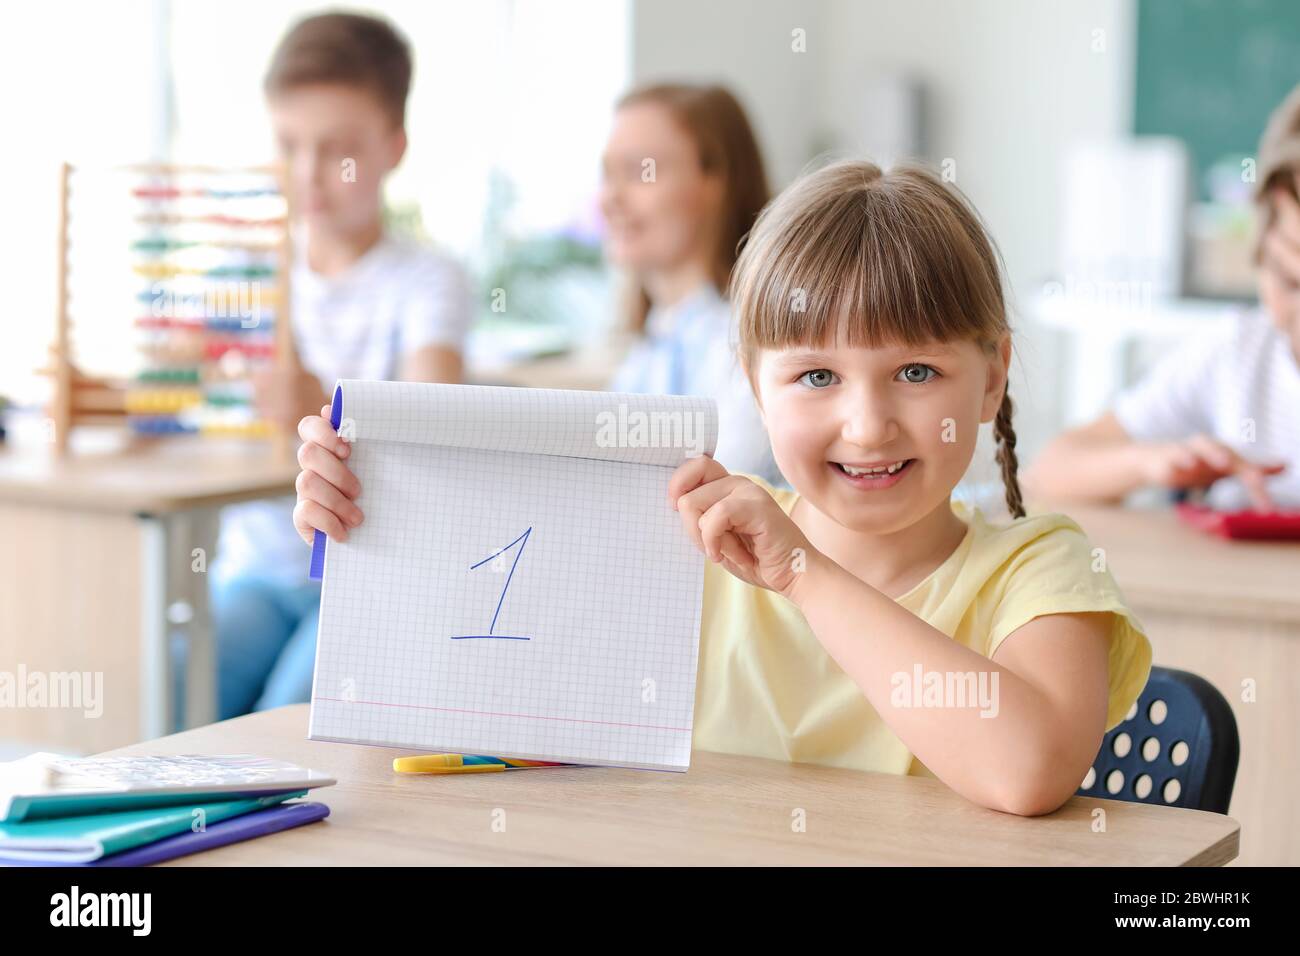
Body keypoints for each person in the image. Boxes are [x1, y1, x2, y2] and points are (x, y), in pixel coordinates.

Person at [290, 160, 1152, 817]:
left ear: (993, 377)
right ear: (752, 380)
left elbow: (1029, 768)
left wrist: (805, 574)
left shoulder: (1044, 569)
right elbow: (460, 709)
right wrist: (372, 533)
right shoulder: (682, 543)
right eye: (816, 377)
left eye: (916, 371)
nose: (867, 425)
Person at [211, 12, 471, 720]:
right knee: (184, 677)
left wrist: (321, 402)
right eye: (289, 145)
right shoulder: (247, 277)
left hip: (365, 579)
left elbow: (433, 418)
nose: (307, 176)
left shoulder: (427, 280)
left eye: (338, 151)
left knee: (286, 717)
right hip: (257, 573)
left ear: (394, 149)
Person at [1023, 86, 1300, 511]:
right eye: (1289, 280)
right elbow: (1050, 471)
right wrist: (1152, 463)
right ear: (1261, 250)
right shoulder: (1238, 352)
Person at [601, 83, 780, 482]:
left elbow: (720, 487)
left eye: (639, 172)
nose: (609, 199)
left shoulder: (751, 344)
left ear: (715, 182)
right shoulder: (651, 345)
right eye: (607, 174)